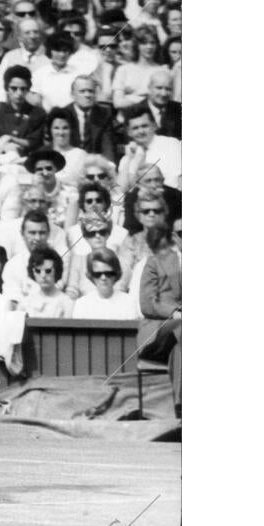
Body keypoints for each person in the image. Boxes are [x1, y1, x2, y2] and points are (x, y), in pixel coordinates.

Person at [138, 224, 182, 417]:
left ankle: (181, 407)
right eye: (182, 233)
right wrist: (173, 312)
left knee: (180, 349)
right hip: (160, 331)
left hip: (178, 340)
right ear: (175, 237)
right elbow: (147, 303)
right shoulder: (155, 262)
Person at [0, 66, 48, 160]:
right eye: (14, 88)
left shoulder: (38, 113)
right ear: (6, 89)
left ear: (28, 89)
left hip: (29, 159)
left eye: (23, 89)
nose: (19, 93)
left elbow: (34, 142)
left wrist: (10, 138)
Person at [119, 105, 182, 190]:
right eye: (135, 128)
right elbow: (121, 192)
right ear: (129, 132)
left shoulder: (171, 145)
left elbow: (176, 181)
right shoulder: (127, 158)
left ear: (154, 125)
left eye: (144, 126)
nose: (141, 131)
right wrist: (132, 160)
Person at [62, 76, 118, 162]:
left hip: (95, 164)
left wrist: (109, 168)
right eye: (82, 91)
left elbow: (108, 146)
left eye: (91, 91)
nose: (87, 95)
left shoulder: (104, 114)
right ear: (72, 95)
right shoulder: (63, 115)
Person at [73, 248, 136, 319]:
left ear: (116, 274)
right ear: (91, 276)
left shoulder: (128, 302)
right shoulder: (82, 305)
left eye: (108, 273)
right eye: (97, 274)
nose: (103, 278)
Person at [17, 247, 74, 318]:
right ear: (33, 272)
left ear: (57, 271)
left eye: (48, 271)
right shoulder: (26, 302)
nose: (43, 275)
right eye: (38, 271)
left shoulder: (66, 302)